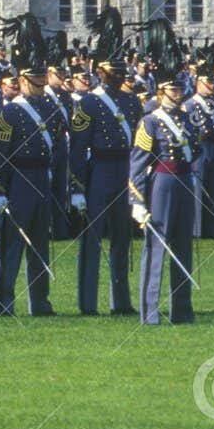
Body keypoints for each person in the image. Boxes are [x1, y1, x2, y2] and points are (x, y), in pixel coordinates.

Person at [71, 57, 142, 315]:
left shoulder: (131, 101)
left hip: (125, 170)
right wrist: (77, 187)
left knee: (122, 237)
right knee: (93, 239)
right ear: (101, 73)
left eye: (122, 73)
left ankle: (121, 301)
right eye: (114, 73)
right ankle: (88, 303)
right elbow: (78, 148)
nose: (119, 78)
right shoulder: (88, 103)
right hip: (99, 171)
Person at [0, 69, 57, 316]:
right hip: (18, 179)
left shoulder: (49, 108)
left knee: (40, 244)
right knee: (12, 244)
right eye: (36, 84)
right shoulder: (9, 112)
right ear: (23, 82)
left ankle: (40, 302)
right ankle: (4, 303)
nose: (40, 89)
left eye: (42, 84)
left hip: (42, 177)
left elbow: (58, 147)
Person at [129, 77, 199, 324]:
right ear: (162, 91)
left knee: (183, 246)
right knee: (157, 246)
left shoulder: (186, 119)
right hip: (162, 182)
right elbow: (138, 163)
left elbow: (195, 149)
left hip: (185, 180)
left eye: (180, 88)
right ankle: (149, 312)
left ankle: (182, 310)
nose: (178, 93)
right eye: (173, 89)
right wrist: (137, 201)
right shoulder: (149, 121)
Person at [186, 65, 214, 238]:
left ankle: (212, 227)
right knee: (199, 189)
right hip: (199, 149)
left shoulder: (212, 103)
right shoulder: (190, 105)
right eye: (209, 82)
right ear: (198, 83)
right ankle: (198, 229)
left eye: (213, 81)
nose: (212, 85)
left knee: (213, 188)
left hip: (213, 147)